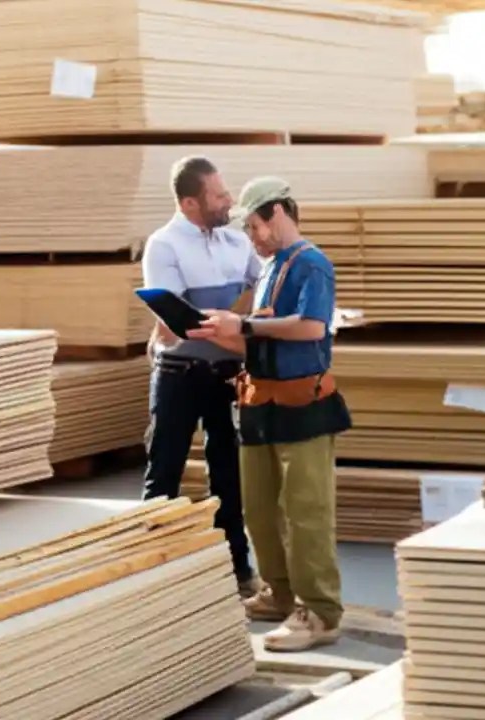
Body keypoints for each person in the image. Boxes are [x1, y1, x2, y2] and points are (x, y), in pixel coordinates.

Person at [187, 176, 352, 652]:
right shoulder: (269, 269)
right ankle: (279, 595)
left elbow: (310, 328)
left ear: (279, 213)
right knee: (258, 510)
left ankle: (319, 611)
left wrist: (244, 323)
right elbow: (257, 338)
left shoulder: (312, 265)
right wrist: (213, 332)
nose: (253, 237)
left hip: (304, 405)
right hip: (259, 402)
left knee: (306, 512)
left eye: (256, 225)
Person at [140, 156, 263, 598]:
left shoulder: (235, 243)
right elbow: (174, 322)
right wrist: (233, 320)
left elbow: (266, 288)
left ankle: (238, 569)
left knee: (229, 475)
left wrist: (233, 321)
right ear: (189, 202)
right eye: (218, 195)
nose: (228, 201)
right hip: (179, 375)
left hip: (227, 375)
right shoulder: (164, 245)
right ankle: (153, 575)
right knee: (165, 472)